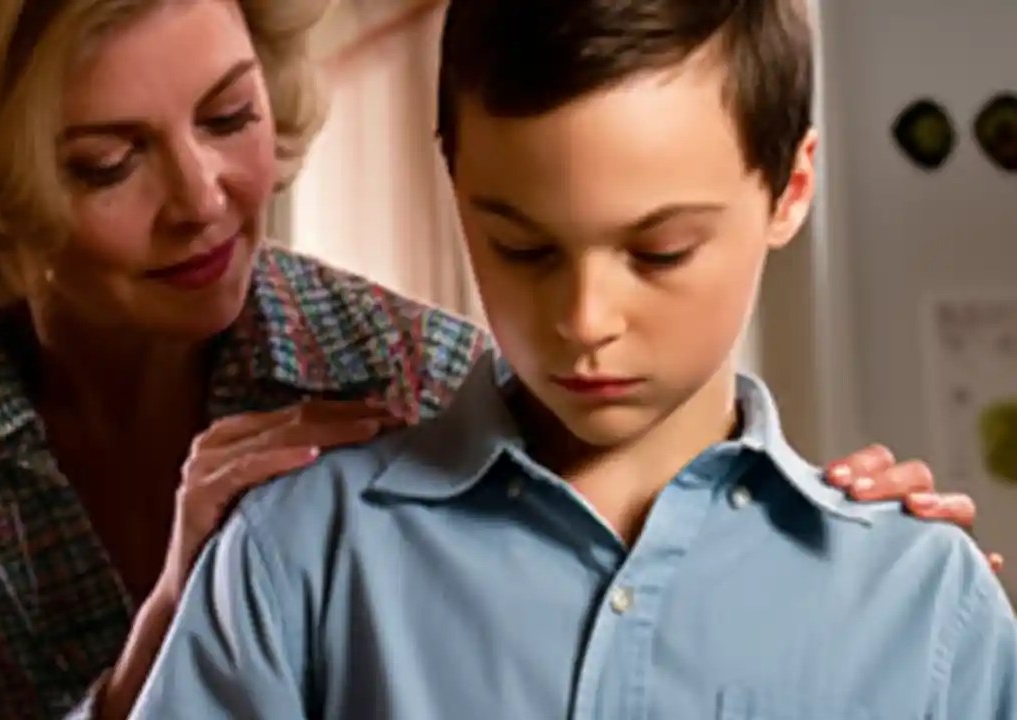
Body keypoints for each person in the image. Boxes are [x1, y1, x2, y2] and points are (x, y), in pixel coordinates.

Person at [0, 0, 987, 718]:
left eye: (233, 116)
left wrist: (838, 550)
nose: (210, 199)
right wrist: (175, 629)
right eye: (106, 162)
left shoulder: (412, 373)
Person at [130, 0, 1017, 718]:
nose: (584, 321)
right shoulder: (299, 560)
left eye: (660, 251)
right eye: (523, 248)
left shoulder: (919, 600)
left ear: (789, 189)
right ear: (456, 183)